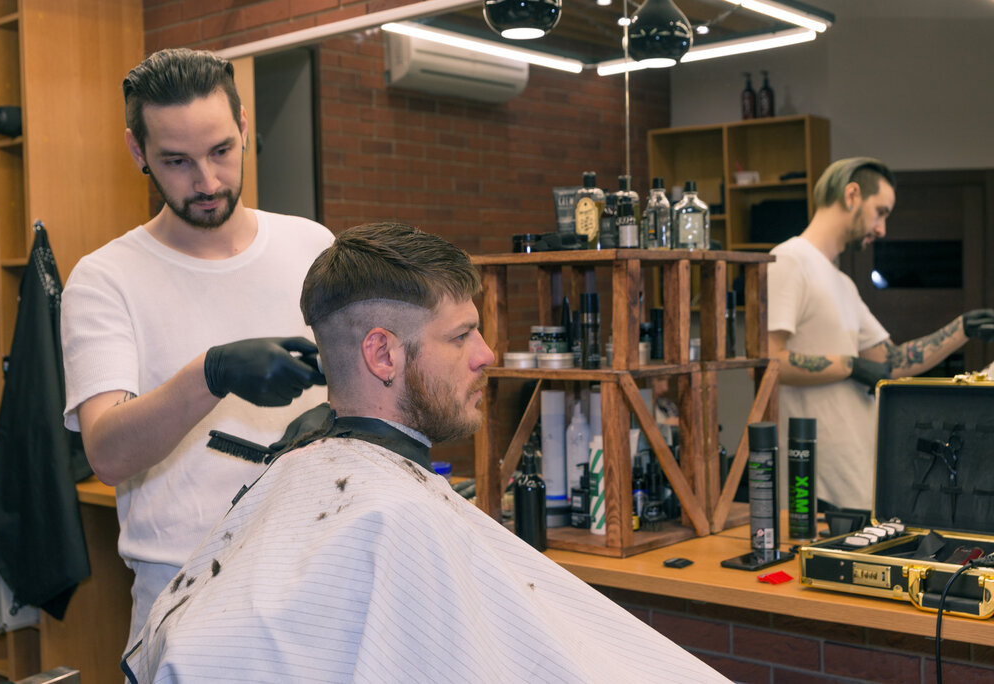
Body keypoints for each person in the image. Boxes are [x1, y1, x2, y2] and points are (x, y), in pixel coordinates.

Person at [122, 223, 728, 683]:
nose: (487, 354)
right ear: (382, 354)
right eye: (462, 335)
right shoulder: (389, 514)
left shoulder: (347, 487)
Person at [61, 48, 334, 646]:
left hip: (312, 571)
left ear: (242, 125)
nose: (207, 182)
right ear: (138, 152)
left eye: (221, 152)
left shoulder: (311, 245)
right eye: (177, 161)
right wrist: (212, 374)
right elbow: (105, 450)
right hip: (184, 596)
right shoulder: (106, 279)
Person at [767, 157, 994, 510]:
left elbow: (893, 361)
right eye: (881, 212)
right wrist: (850, 366)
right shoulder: (788, 260)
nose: (882, 229)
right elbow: (769, 362)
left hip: (858, 477)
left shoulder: (841, 283)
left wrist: (962, 328)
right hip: (815, 486)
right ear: (852, 194)